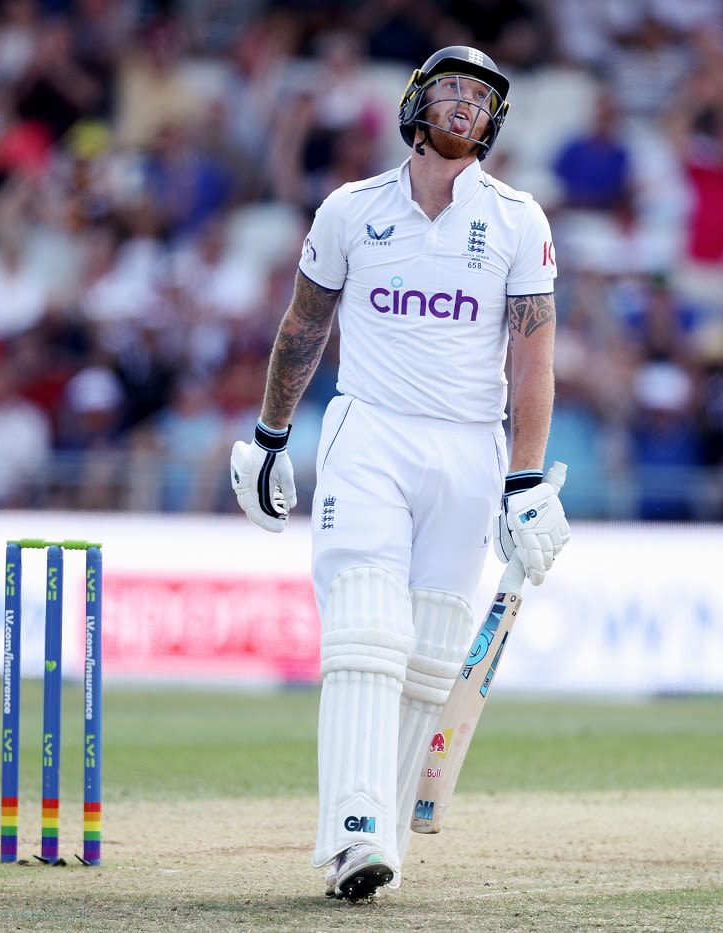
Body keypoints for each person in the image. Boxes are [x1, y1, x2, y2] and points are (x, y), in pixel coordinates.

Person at [229, 45, 570, 901]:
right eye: (453, 87)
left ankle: (379, 846)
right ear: (417, 102)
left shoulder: (519, 218)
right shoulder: (350, 209)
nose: (467, 104)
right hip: (369, 434)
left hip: (468, 447)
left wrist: (524, 483)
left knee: (428, 657)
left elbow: (533, 358)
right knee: (365, 632)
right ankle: (353, 831)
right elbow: (303, 327)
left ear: (494, 123)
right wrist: (271, 435)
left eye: (484, 97)